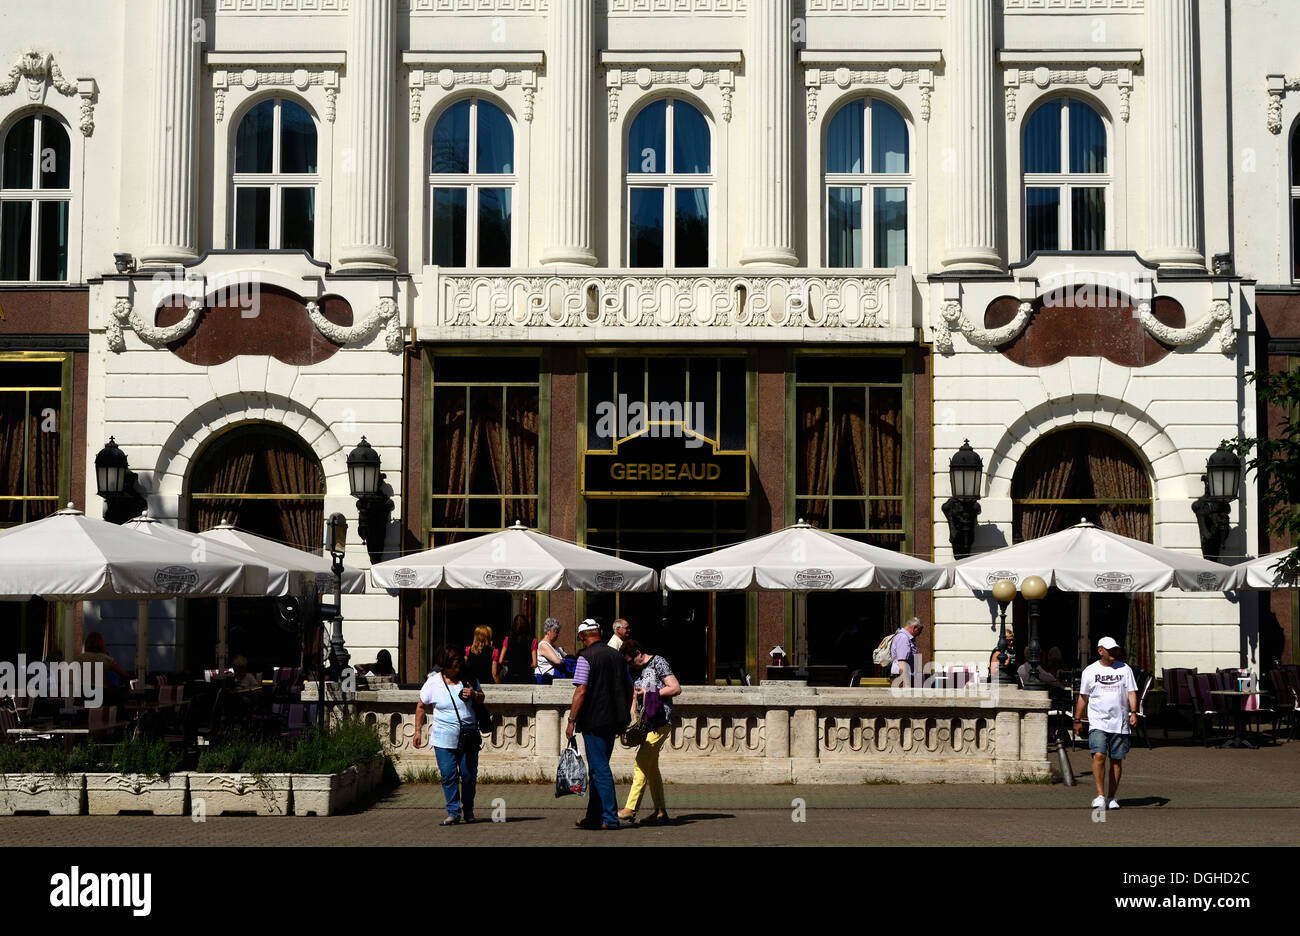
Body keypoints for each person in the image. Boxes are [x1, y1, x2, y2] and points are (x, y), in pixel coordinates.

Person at [566, 618, 630, 830]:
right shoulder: (617, 656)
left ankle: (610, 818)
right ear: (600, 633)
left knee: (600, 769)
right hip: (613, 719)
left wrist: (571, 720)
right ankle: (593, 816)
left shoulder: (585, 657)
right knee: (596, 768)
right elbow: (629, 687)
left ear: (581, 637)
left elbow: (581, 690)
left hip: (593, 720)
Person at [414, 644, 485, 825]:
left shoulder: (469, 678)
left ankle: (468, 810)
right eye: (453, 662)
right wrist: (417, 731)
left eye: (459, 661)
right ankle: (453, 812)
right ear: (444, 663)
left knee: (468, 776)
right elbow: (421, 706)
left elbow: (482, 697)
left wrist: (474, 694)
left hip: (468, 736)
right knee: (448, 775)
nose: (457, 665)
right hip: (443, 738)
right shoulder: (433, 682)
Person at [617, 640, 681, 825]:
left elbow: (675, 688)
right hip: (646, 722)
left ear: (638, 653)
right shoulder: (633, 670)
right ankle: (660, 811)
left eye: (631, 661)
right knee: (651, 768)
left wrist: (649, 692)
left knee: (641, 762)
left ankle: (630, 808)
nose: (630, 665)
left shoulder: (658, 662)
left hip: (660, 720)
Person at [1074, 636, 1138, 811]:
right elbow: (1083, 697)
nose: (1113, 653)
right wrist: (1077, 719)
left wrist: (1133, 712)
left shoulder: (1125, 669)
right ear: (1100, 651)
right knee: (1099, 755)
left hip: (1120, 722)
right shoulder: (1090, 671)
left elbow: (1131, 692)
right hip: (1098, 721)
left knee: (1116, 760)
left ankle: (1111, 797)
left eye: (1115, 649)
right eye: (1109, 650)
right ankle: (1100, 795)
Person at [74, 632, 132, 704]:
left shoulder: (79, 658)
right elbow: (125, 675)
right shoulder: (107, 659)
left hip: (82, 695)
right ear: (101, 644)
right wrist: (126, 691)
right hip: (102, 695)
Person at [500, 613, 537, 685]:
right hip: (527, 676)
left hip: (511, 676)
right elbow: (535, 664)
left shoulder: (507, 639)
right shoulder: (533, 641)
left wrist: (510, 662)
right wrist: (526, 665)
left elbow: (501, 660)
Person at [889, 617, 923, 686]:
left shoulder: (905, 637)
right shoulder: (903, 638)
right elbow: (902, 662)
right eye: (919, 631)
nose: (919, 634)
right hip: (902, 678)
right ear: (914, 628)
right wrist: (907, 684)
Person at [535, 618, 566, 683]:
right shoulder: (543, 645)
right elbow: (557, 661)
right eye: (556, 632)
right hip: (546, 679)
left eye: (558, 632)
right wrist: (565, 661)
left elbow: (565, 656)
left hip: (554, 678)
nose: (557, 635)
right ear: (548, 631)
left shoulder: (553, 646)